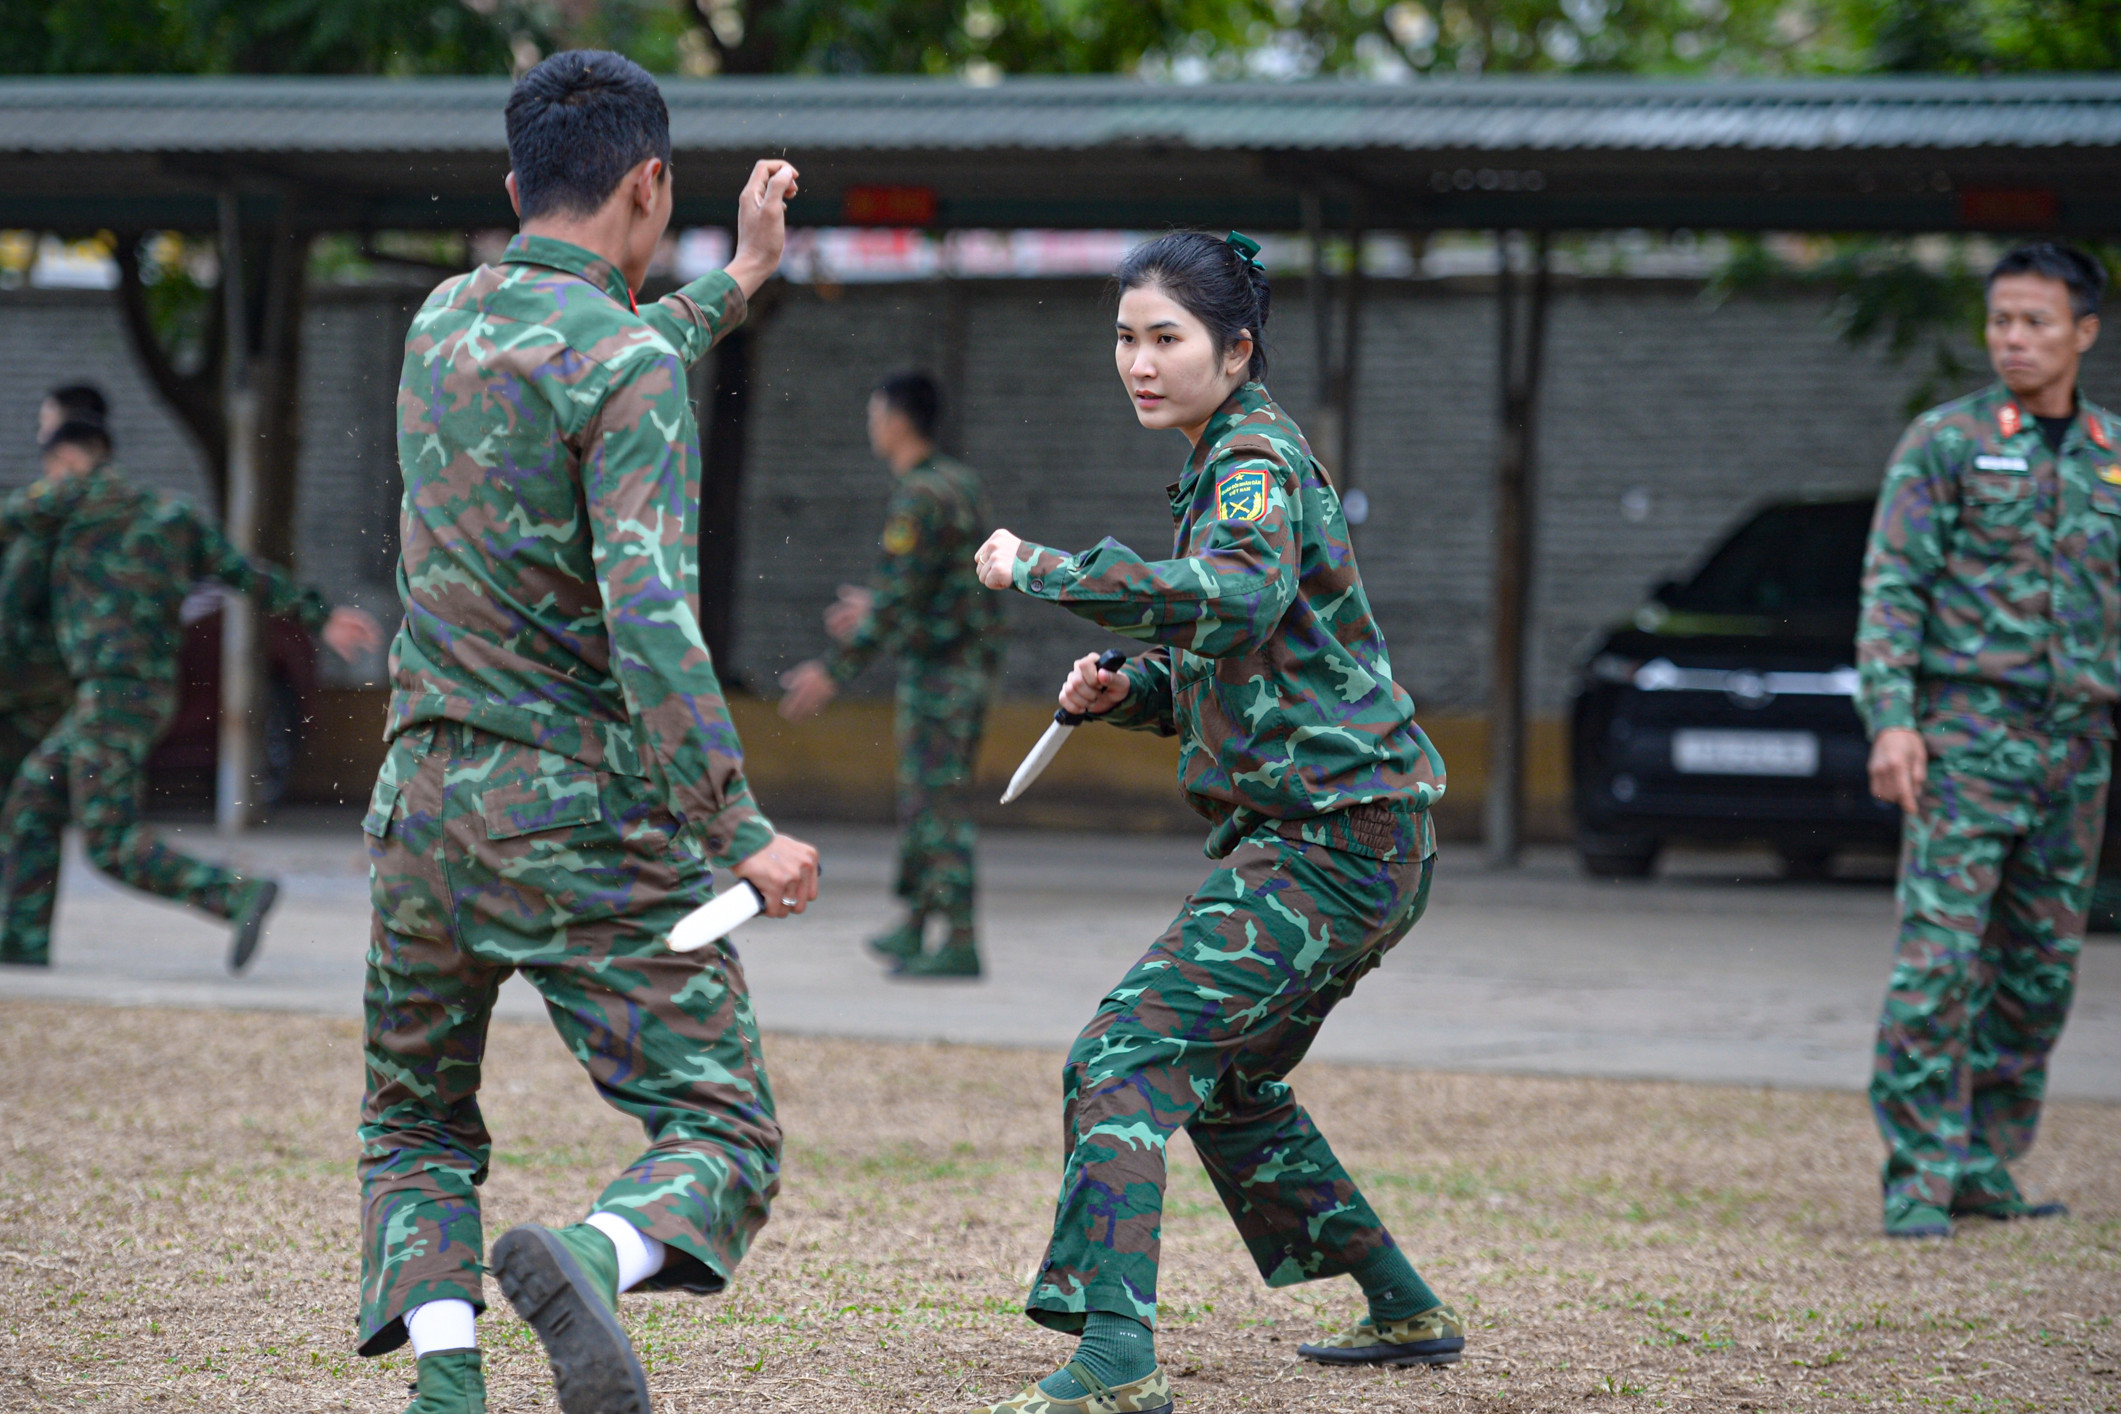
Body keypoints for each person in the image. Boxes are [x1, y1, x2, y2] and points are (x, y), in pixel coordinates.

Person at [353, 51, 820, 1414]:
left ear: (515, 187)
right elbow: (653, 622)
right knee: (721, 1123)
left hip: (418, 806)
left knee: (414, 1121)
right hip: (571, 812)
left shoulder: (441, 322)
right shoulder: (627, 369)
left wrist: (745, 274)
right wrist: (740, 828)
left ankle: (449, 1384)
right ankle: (596, 1256)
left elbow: (605, 345)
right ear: (649, 183)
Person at [966, 230, 1457, 1414]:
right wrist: (1133, 691)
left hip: (1334, 843)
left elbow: (1235, 598)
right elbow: (1252, 663)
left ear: (1235, 351)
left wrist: (1044, 567)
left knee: (1123, 1052)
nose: (1139, 363)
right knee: (1226, 1081)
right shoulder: (1225, 461)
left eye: (1166, 338)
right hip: (1364, 835)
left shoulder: (1249, 461)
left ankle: (1115, 1359)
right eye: (1125, 338)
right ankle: (1401, 1303)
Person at [1858, 241, 2115, 1240]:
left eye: (2035, 321)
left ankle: (1983, 1161)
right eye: (2000, 319)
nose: (2012, 338)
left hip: (2076, 749)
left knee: (2040, 971)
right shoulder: (1946, 441)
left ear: (2083, 331)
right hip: (1965, 741)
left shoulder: (2111, 454)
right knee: (1939, 961)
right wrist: (1892, 718)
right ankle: (1919, 1173)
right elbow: (1893, 587)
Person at [0, 410, 380, 971]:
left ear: (68, 460)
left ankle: (236, 893)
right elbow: (241, 571)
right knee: (33, 799)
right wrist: (319, 615)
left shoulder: (65, 500)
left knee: (108, 842)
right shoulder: (171, 514)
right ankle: (20, 942)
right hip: (141, 694)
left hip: (111, 695)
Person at [777, 372, 1004, 978]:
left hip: (941, 673)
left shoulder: (919, 495)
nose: (871, 426)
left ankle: (959, 938)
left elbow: (903, 597)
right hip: (966, 664)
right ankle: (916, 921)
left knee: (936, 803)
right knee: (927, 799)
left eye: (875, 414)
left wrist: (833, 671)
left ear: (899, 421)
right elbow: (940, 585)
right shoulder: (958, 482)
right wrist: (878, 604)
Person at [0, 385, 103, 828]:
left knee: (27, 812)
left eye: (47, 425)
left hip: (34, 690)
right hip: (44, 686)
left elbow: (15, 604)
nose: (40, 437)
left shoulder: (55, 513)